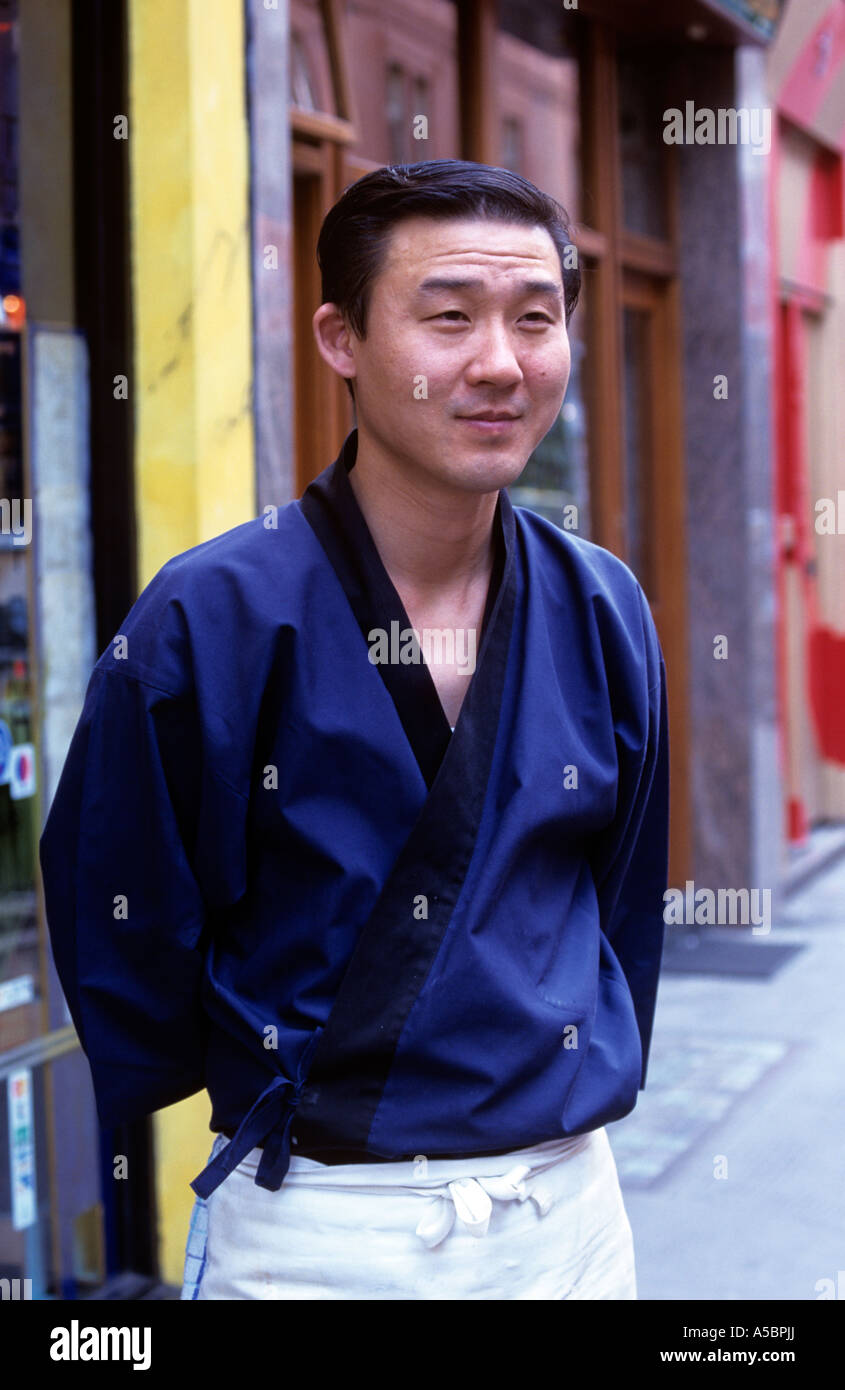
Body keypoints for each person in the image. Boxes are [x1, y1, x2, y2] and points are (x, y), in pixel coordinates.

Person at [39, 160, 670, 1301]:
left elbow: (619, 901)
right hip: (324, 1223)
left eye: (535, 319)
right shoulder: (214, 612)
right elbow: (118, 898)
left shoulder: (600, 603)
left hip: (567, 1213)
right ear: (338, 338)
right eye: (448, 316)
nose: (498, 361)